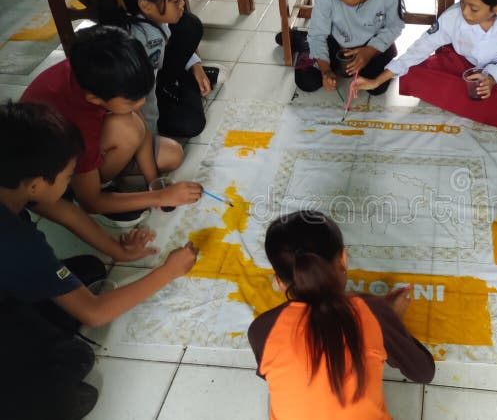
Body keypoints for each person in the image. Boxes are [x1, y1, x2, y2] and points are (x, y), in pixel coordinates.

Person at [0, 101, 198, 419]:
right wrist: (168, 271)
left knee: (89, 271)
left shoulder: (10, 187)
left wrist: (119, 252)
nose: (71, 185)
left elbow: (63, 212)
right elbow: (94, 313)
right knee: (74, 358)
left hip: (12, 273)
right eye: (67, 178)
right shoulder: (14, 241)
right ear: (36, 184)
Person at [248, 210, 435, 419]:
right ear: (343, 260)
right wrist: (392, 320)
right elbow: (423, 372)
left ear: (279, 283)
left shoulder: (261, 329)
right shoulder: (372, 312)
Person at [20, 25, 203, 226]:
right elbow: (91, 203)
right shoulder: (76, 121)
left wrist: (155, 184)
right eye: (132, 101)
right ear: (95, 99)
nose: (141, 103)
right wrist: (160, 198)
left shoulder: (103, 74)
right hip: (54, 171)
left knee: (172, 154)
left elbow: (139, 123)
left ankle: (109, 175)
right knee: (127, 128)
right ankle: (95, 186)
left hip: (91, 141)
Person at [355, 0, 497, 127]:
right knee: (412, 74)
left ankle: (485, 103)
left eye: (474, 9)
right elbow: (420, 48)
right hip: (461, 65)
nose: (465, 12)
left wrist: (492, 78)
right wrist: (377, 80)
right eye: (462, 3)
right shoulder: (452, 17)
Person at [98, 0, 220, 139]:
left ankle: (182, 80)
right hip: (141, 99)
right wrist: (151, 138)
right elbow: (146, 101)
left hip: (157, 79)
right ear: (146, 5)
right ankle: (179, 85)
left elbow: (172, 39)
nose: (182, 3)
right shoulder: (142, 41)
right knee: (191, 124)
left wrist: (195, 64)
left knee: (190, 25)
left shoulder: (150, 19)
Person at [286, 0, 406, 96]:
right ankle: (305, 43)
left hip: (372, 44)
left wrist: (369, 52)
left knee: (376, 88)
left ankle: (302, 40)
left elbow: (394, 27)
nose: (349, 0)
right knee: (306, 80)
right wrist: (325, 70)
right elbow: (318, 34)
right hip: (336, 40)